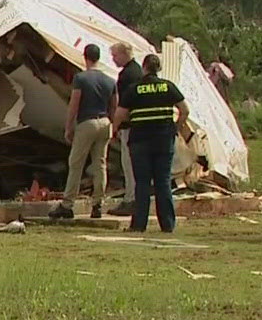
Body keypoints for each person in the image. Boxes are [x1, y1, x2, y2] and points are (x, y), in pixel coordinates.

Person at [114, 52, 189, 233]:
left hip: (140, 141)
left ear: (144, 68)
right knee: (163, 182)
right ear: (159, 69)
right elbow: (185, 110)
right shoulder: (168, 87)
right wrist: (175, 128)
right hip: (164, 140)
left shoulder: (134, 89)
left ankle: (139, 224)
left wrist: (115, 130)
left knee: (142, 183)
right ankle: (168, 225)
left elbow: (120, 115)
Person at [54, 44, 116, 219]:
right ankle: (97, 204)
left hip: (87, 122)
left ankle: (68, 204)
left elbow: (74, 104)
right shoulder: (109, 80)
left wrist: (69, 127)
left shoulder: (81, 79)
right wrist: (112, 125)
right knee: (100, 165)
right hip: (105, 122)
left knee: (76, 163)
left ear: (85, 57)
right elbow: (114, 105)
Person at [110, 42, 143, 212]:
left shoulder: (126, 75)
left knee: (128, 163)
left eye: (115, 56)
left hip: (129, 126)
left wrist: (114, 126)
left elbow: (123, 106)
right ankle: (136, 197)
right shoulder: (139, 71)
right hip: (140, 125)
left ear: (124, 54)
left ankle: (130, 199)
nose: (113, 59)